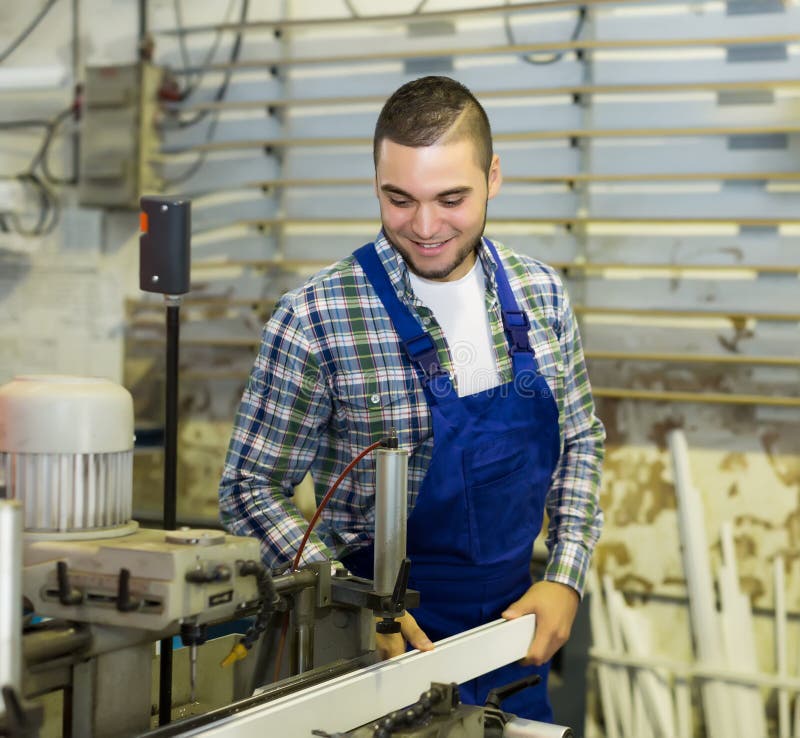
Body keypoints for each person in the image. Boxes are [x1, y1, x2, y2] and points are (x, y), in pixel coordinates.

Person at [219, 75, 604, 721]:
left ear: (494, 177)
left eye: (451, 198)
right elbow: (248, 489)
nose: (425, 227)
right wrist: (346, 602)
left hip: (514, 638)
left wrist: (565, 576)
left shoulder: (541, 294)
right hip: (378, 650)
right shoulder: (317, 315)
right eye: (398, 199)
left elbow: (581, 441)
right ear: (375, 181)